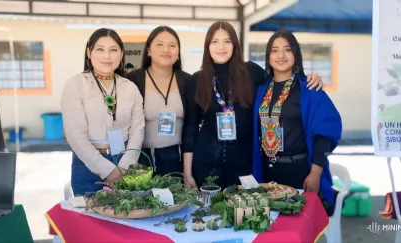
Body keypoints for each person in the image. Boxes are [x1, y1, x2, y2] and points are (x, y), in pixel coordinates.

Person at [182, 22, 325, 189]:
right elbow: (190, 129)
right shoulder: (197, 80)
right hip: (205, 164)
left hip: (245, 167)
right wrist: (187, 173)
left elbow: (281, 78)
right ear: (207, 46)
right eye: (214, 41)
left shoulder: (252, 72)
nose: (221, 47)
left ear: (235, 44)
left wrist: (309, 77)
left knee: (243, 212)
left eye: (227, 41)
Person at [252, 30, 342, 215]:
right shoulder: (260, 89)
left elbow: (325, 134)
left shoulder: (309, 88)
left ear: (296, 54)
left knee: (297, 226)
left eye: (287, 50)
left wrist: (315, 174)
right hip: (267, 171)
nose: (281, 55)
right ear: (268, 56)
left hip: (299, 171)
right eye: (275, 50)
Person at [61, 28, 145, 196]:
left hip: (124, 163)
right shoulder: (75, 84)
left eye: (113, 50)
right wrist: (107, 170)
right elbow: (75, 136)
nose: (107, 56)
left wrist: (124, 167)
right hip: (87, 165)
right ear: (88, 52)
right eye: (100, 49)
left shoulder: (130, 88)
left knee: (123, 220)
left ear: (121, 55)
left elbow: (138, 130)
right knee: (90, 221)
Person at [125, 26, 190, 176]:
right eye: (160, 44)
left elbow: (192, 127)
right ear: (148, 50)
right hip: (142, 159)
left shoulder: (189, 81)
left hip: (178, 158)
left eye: (172, 45)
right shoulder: (132, 80)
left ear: (178, 53)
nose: (166, 50)